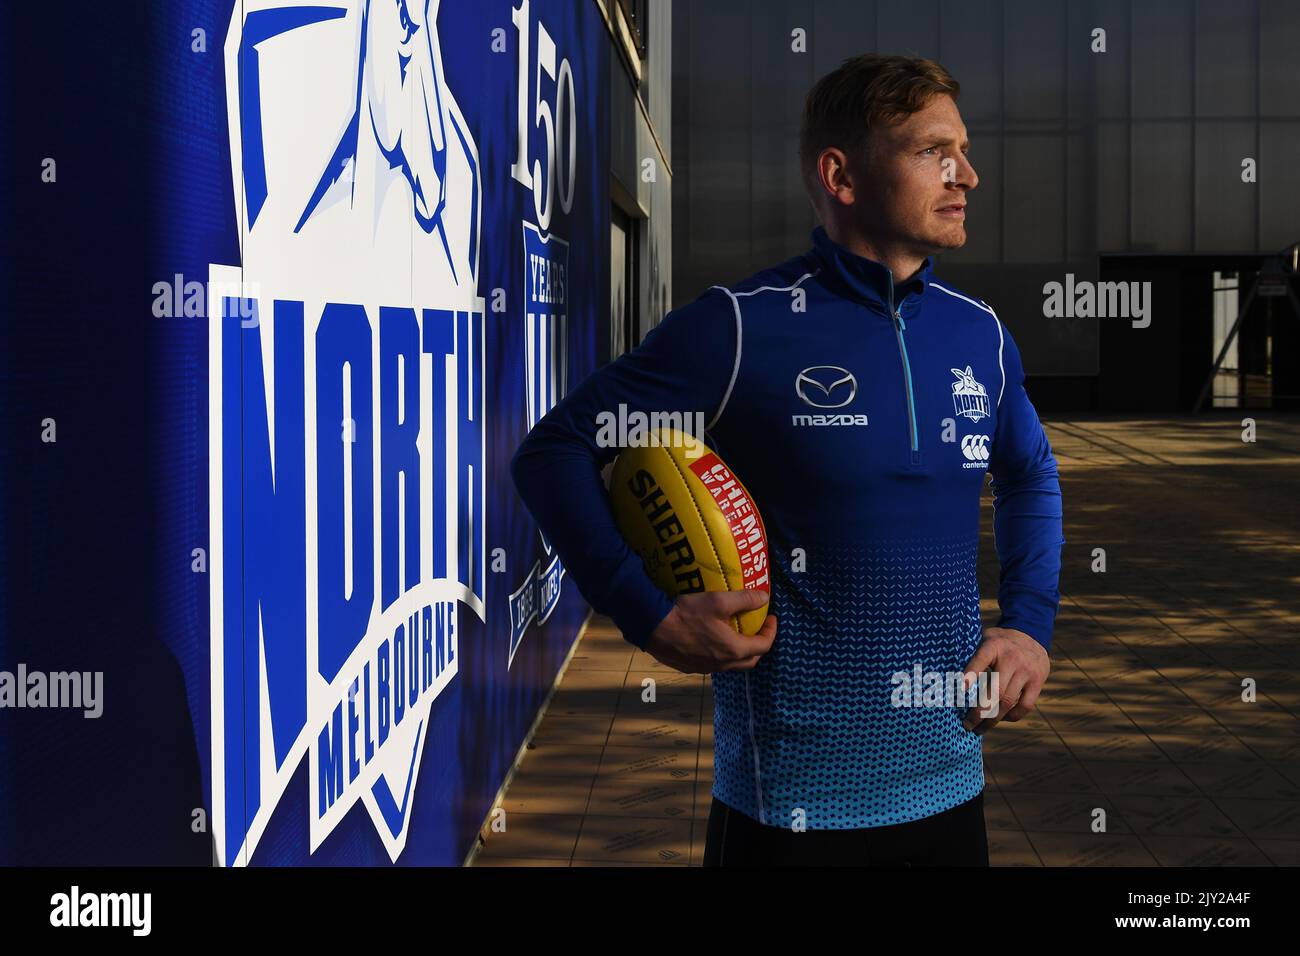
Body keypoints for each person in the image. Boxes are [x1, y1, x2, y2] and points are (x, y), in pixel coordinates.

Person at [510, 54, 1064, 867]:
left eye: (966, 150)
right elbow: (554, 452)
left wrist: (1027, 627)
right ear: (840, 175)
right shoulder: (737, 330)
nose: (967, 175)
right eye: (932, 152)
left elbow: (1031, 473)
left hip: (951, 784)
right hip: (788, 804)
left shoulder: (980, 334)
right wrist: (648, 613)